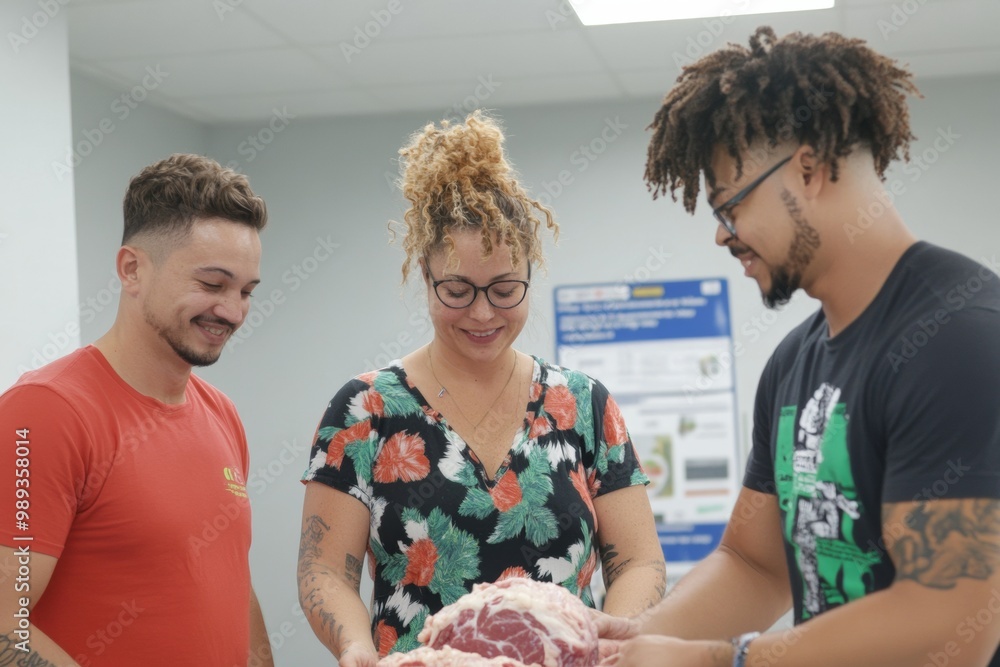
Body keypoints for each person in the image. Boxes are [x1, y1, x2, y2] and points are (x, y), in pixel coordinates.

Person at [596, 26, 1000, 667]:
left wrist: (722, 660)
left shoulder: (961, 338)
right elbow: (755, 564)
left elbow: (950, 623)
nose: (723, 237)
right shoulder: (793, 362)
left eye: (730, 206)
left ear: (807, 170)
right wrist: (622, 645)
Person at [298, 111, 666, 665]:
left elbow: (639, 562)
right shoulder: (364, 410)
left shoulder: (583, 405)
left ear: (530, 276)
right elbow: (324, 570)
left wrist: (612, 637)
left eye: (504, 289)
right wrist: (353, 646)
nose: (482, 313)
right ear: (424, 277)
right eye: (457, 290)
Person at [0, 154, 274, 666]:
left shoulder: (222, 414)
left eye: (246, 291)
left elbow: (231, 582)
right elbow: (3, 622)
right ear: (132, 270)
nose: (233, 311)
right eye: (212, 285)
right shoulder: (45, 412)